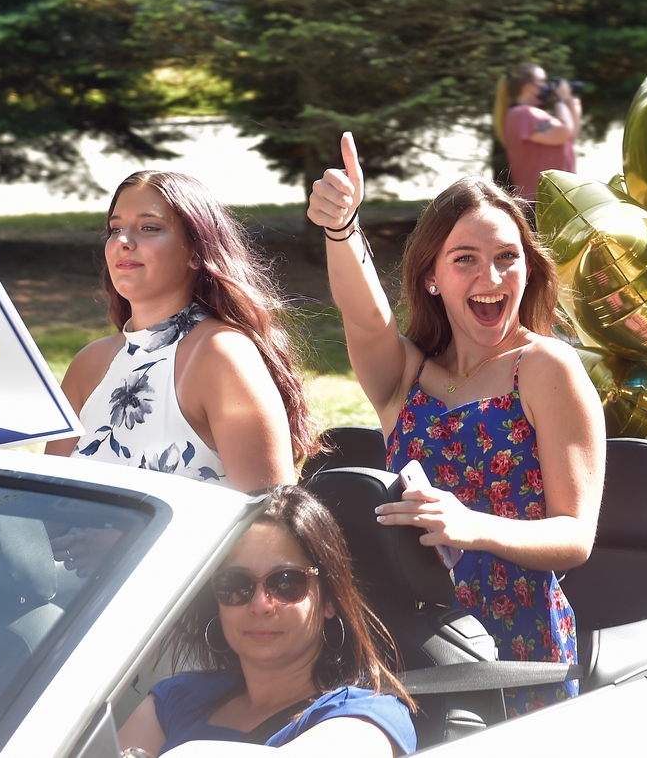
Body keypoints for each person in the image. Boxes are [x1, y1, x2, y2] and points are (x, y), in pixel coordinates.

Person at [308, 133, 605, 716]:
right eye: (464, 259)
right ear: (431, 277)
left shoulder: (545, 367)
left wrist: (468, 525)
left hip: (519, 653)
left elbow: (575, 537)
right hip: (414, 648)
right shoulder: (405, 378)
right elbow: (365, 316)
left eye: (506, 257)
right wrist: (342, 228)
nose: (489, 277)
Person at [45, 170, 318, 493]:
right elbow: (40, 502)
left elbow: (271, 521)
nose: (123, 241)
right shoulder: (88, 364)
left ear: (195, 252)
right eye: (115, 229)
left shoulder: (222, 355)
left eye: (149, 228)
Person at [118, 485, 416, 757]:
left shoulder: (368, 718)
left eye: (286, 583)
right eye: (235, 584)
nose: (260, 604)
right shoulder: (176, 699)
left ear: (330, 600)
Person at [493, 63, 582, 209]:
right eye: (542, 82)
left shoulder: (533, 115)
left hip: (554, 199)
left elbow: (569, 137)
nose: (547, 86)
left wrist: (571, 104)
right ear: (530, 87)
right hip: (538, 203)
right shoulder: (523, 114)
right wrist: (560, 99)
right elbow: (564, 132)